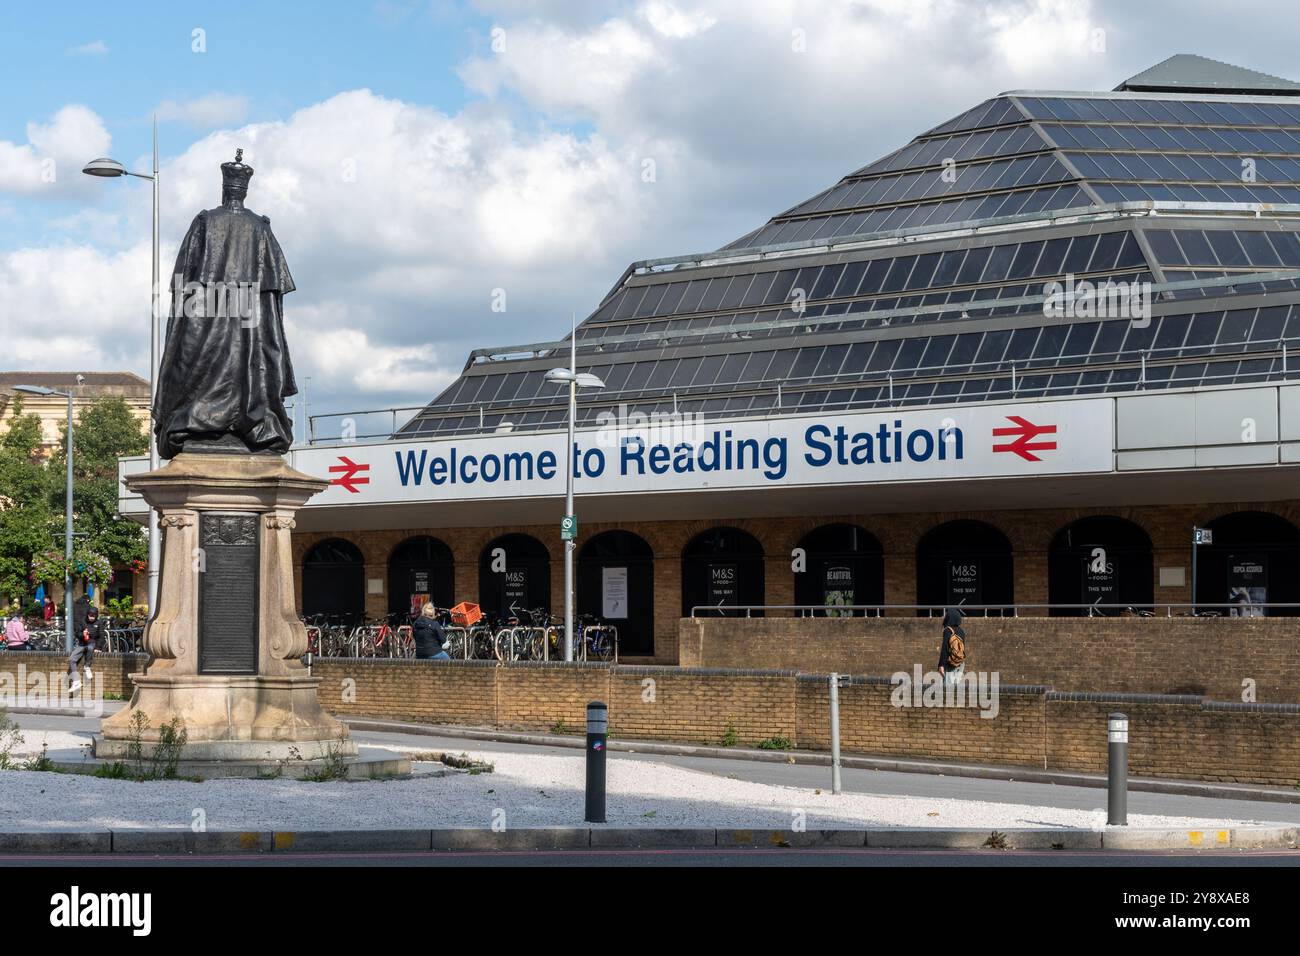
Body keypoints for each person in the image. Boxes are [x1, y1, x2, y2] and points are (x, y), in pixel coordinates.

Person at [68, 606, 103, 693]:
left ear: (96, 616)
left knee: (91, 648)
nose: (91, 617)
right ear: (87, 615)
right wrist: (82, 634)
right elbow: (77, 633)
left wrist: (98, 647)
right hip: (82, 643)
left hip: (92, 643)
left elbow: (101, 636)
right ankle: (76, 681)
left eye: (93, 616)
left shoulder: (99, 623)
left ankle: (87, 666)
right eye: (90, 615)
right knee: (72, 659)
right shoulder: (82, 622)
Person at [937, 606, 967, 686]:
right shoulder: (962, 631)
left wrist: (941, 665)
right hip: (960, 662)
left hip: (950, 663)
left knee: (948, 689)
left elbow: (945, 649)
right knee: (956, 688)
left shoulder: (947, 631)